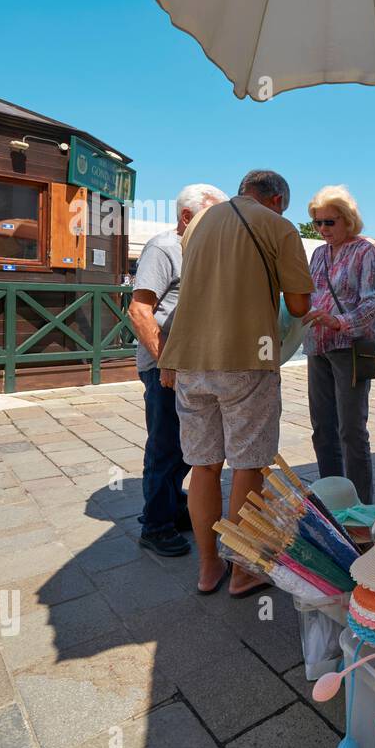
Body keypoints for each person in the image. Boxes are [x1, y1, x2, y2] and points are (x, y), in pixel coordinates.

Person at [159, 170, 313, 597]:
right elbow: (299, 304)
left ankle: (209, 568)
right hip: (248, 356)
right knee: (248, 464)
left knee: (204, 467)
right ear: (278, 199)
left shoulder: (200, 225)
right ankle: (243, 570)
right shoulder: (278, 225)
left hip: (190, 359)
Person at [128, 183, 227, 557]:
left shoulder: (203, 249)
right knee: (167, 447)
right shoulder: (164, 247)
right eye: (212, 217)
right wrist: (165, 360)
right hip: (165, 366)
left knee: (190, 448)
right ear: (187, 217)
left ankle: (172, 507)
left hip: (193, 366)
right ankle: (155, 525)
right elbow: (139, 311)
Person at [304, 185, 375, 504]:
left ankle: (361, 504)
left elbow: (374, 302)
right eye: (317, 223)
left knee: (351, 431)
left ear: (347, 220)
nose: (323, 229)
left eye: (329, 222)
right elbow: (310, 293)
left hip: (349, 348)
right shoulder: (318, 253)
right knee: (322, 427)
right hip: (317, 347)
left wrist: (339, 322)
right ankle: (332, 497)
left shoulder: (365, 251)